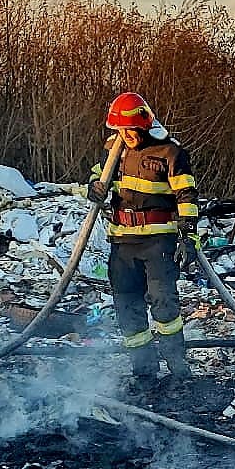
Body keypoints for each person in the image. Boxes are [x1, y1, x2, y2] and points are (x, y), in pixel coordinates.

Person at [87, 91, 200, 384]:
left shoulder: (170, 153)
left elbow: (186, 196)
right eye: (122, 130)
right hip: (122, 243)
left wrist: (188, 239)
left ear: (144, 125)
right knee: (127, 307)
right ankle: (145, 372)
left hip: (157, 242)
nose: (128, 135)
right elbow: (99, 177)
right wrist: (94, 188)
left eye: (131, 130)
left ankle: (178, 368)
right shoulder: (114, 150)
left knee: (164, 304)